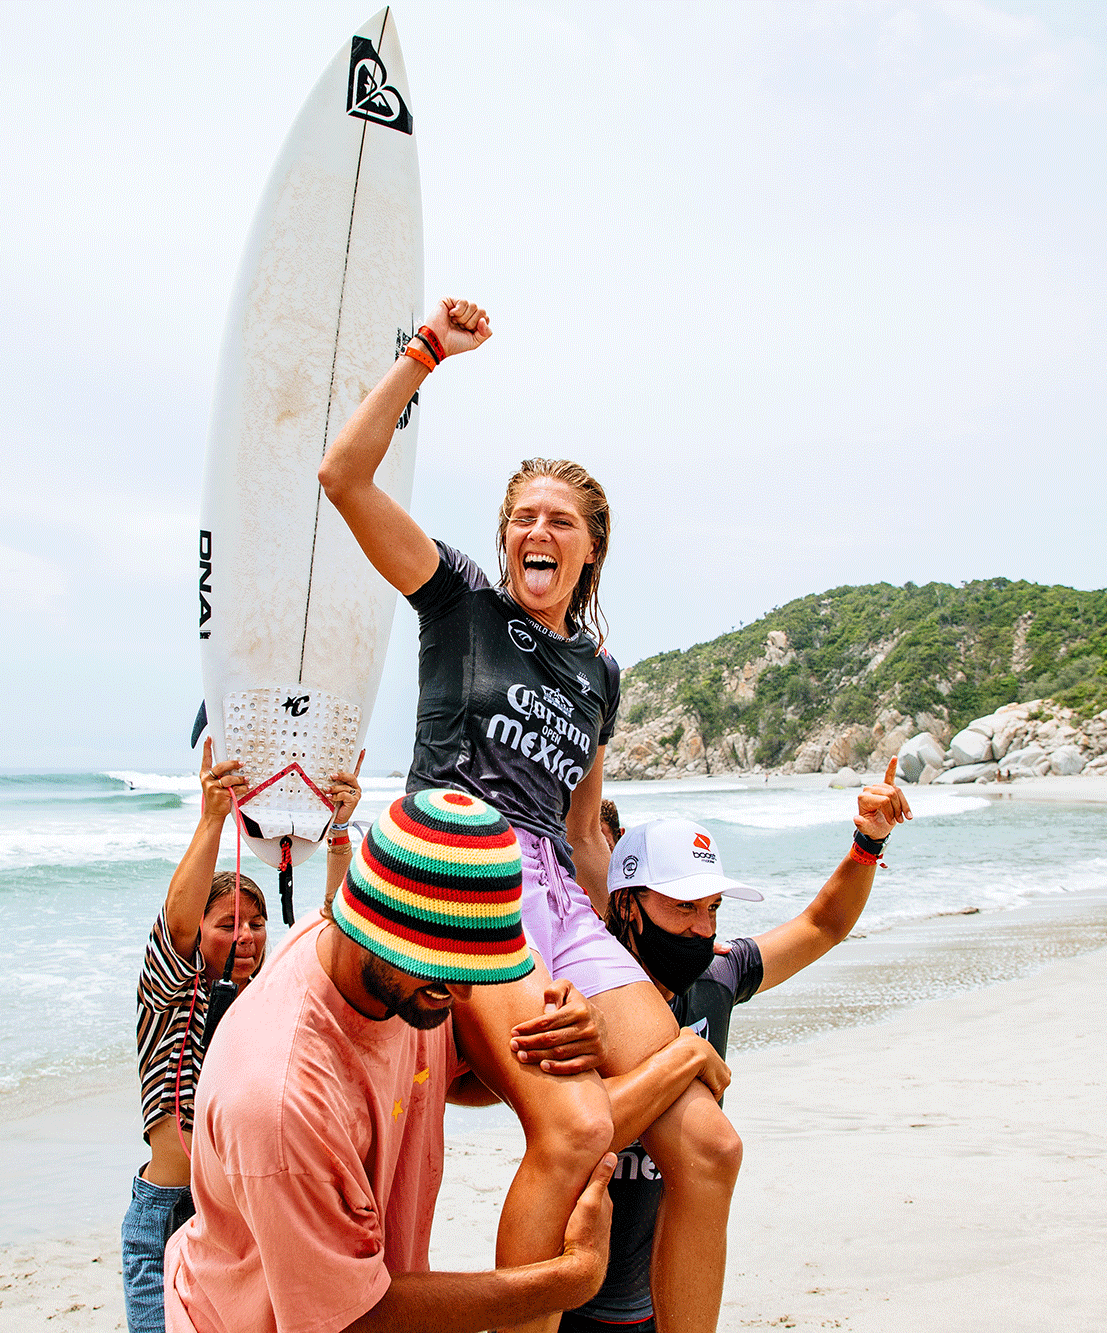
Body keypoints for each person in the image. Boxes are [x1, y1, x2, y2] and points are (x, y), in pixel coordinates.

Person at [319, 298, 741, 1332]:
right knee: (569, 1131)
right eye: (522, 516)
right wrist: (422, 353)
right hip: (462, 883)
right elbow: (342, 478)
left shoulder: (599, 670)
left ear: (589, 548)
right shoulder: (459, 601)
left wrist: (612, 957)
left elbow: (584, 826)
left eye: (559, 519)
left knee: (708, 1144)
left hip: (556, 899)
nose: (534, 530)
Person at [163, 790, 620, 1333]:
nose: (466, 995)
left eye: (480, 967)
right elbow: (352, 1319)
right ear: (370, 930)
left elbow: (450, 1079)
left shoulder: (396, 981)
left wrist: (565, 1035)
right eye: (444, 970)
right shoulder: (282, 1099)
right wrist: (565, 1280)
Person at [571, 765, 911, 1333]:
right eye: (683, 907)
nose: (702, 929)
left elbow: (821, 926)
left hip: (669, 1298)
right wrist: (679, 1059)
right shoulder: (577, 994)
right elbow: (572, 1130)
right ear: (626, 904)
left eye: (712, 909)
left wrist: (867, 843)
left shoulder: (719, 976)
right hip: (573, 1295)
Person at [121, 738, 361, 1333]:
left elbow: (337, 932)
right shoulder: (172, 992)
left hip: (246, 1221)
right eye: (227, 924)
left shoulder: (270, 1001)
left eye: (256, 924)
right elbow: (174, 924)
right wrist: (210, 820)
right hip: (172, 1214)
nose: (247, 936)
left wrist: (336, 836)